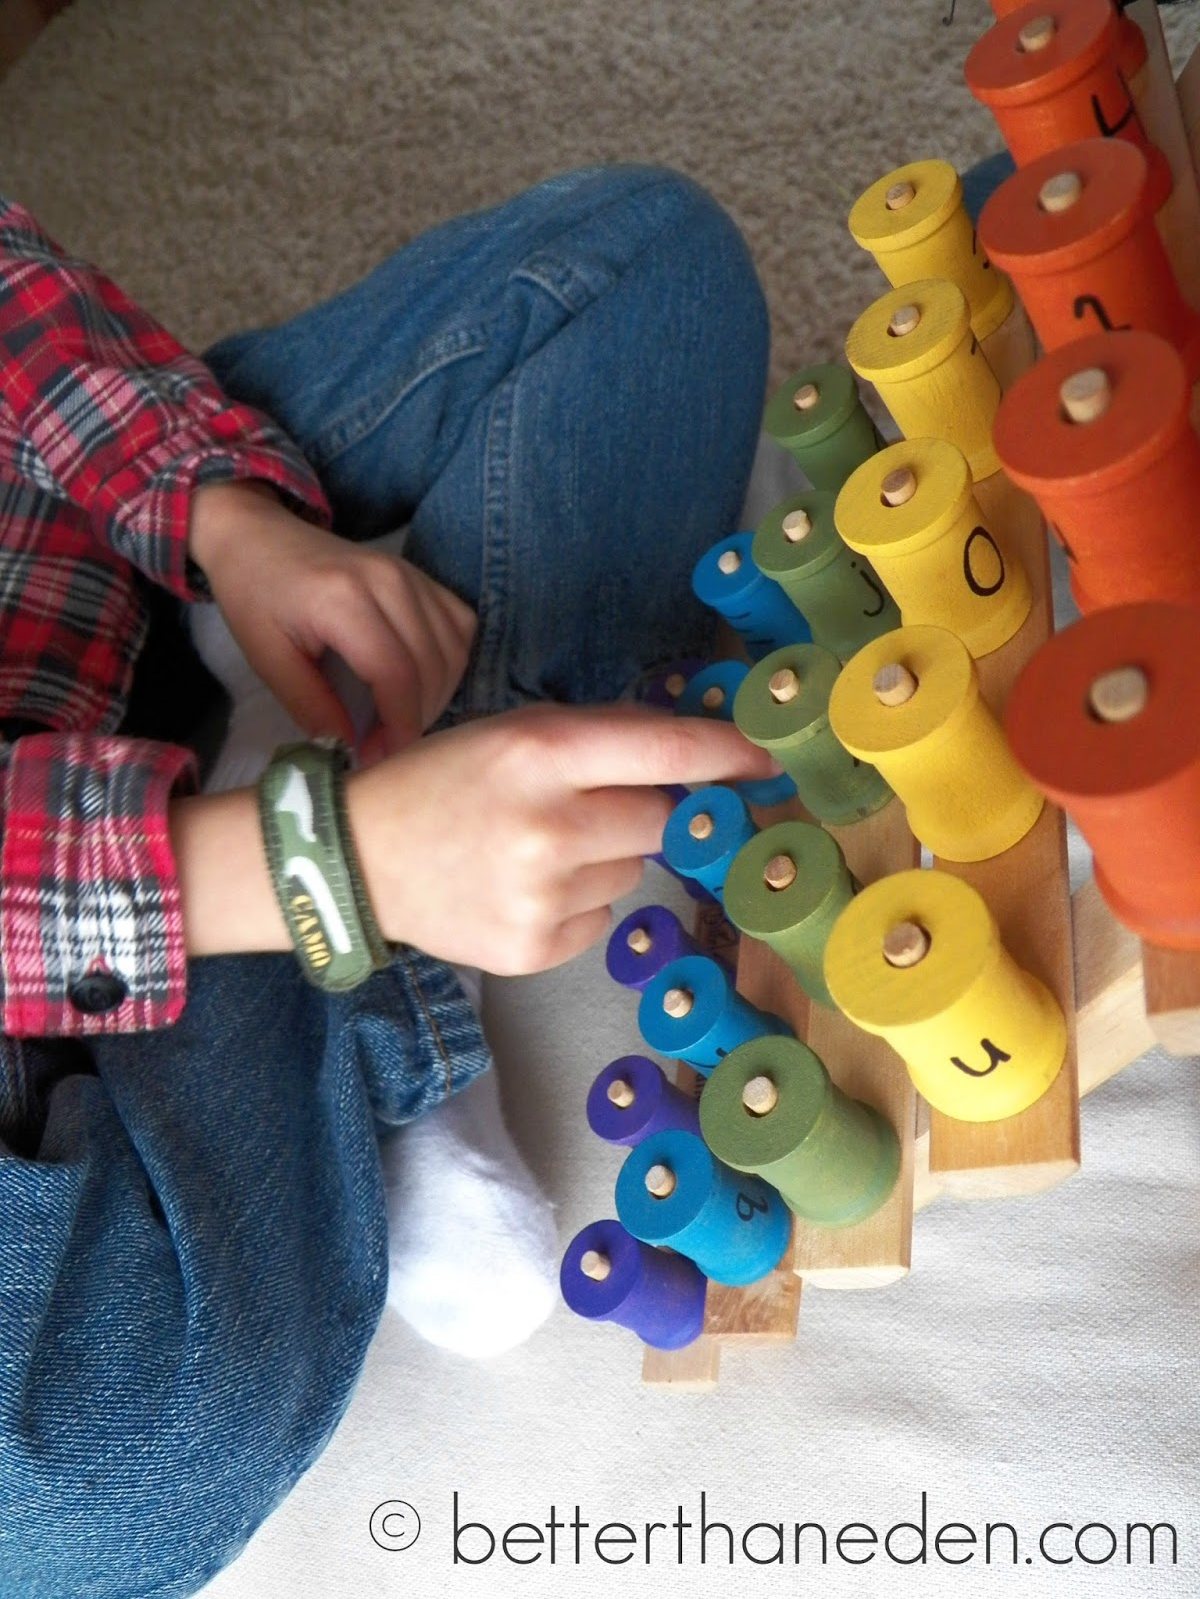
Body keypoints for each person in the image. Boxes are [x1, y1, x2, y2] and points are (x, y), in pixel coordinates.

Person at [0, 163, 774, 1597]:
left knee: (648, 268)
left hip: (79, 573)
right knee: (72, 1499)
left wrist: (221, 516)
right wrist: (323, 864)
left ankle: (342, 854)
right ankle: (360, 953)